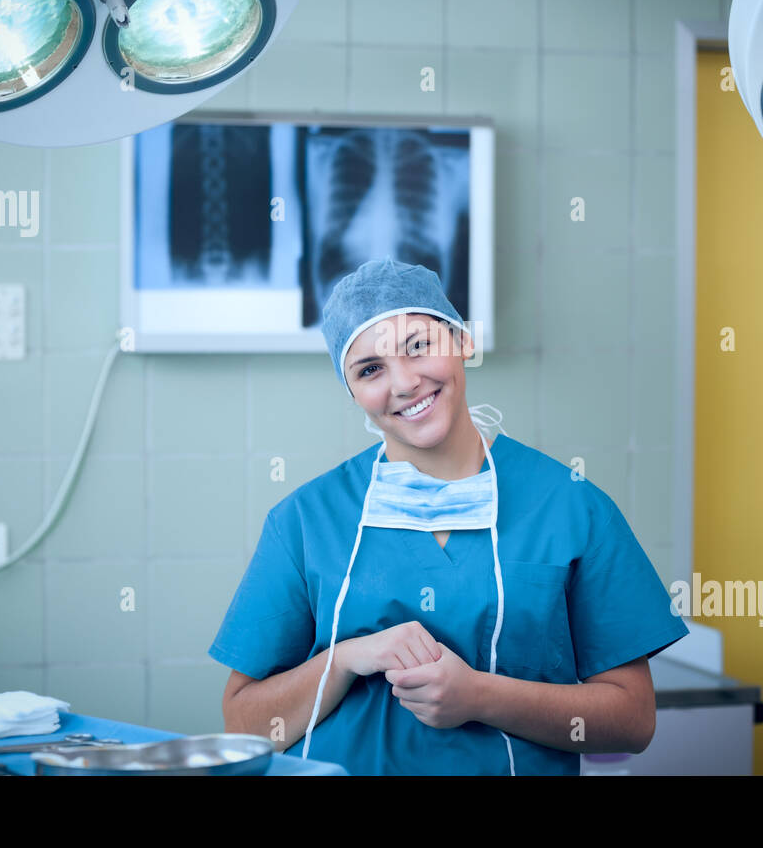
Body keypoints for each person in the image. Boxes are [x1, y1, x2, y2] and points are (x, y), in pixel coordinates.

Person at [210, 257, 687, 774]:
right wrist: (345, 658)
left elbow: (633, 719)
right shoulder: (305, 520)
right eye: (370, 369)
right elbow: (244, 725)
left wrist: (480, 697)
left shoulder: (570, 505)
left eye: (419, 346)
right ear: (352, 392)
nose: (404, 382)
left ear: (463, 341)